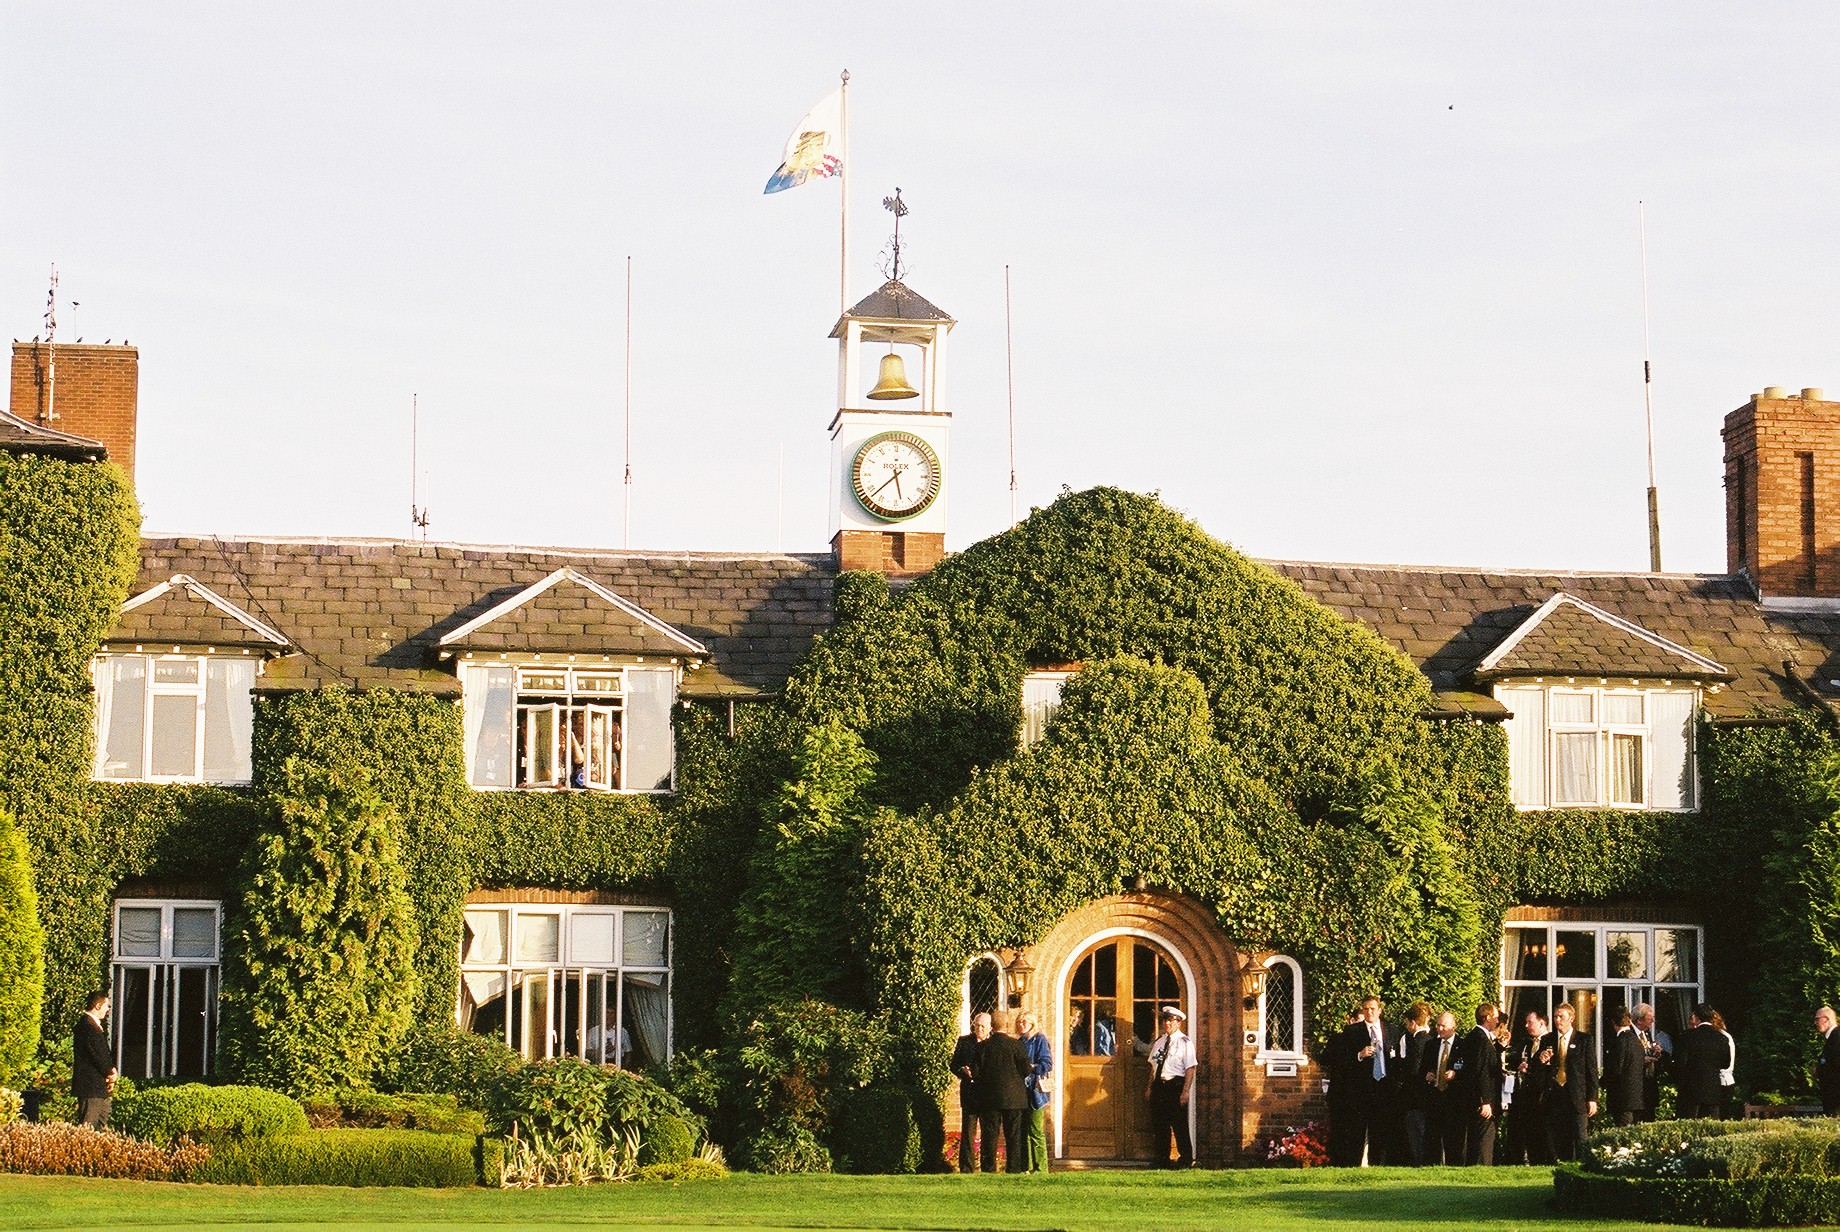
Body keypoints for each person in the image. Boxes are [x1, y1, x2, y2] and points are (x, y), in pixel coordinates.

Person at [1332, 995, 1398, 1166]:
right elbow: (1343, 1060)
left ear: (1380, 1010)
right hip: (1361, 1090)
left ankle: (1378, 1166)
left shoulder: (1392, 1030)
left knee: (1380, 1131)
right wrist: (1359, 1055)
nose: (1369, 1012)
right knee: (1357, 1131)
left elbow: (1397, 1060)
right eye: (1366, 1009)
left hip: (1384, 1087)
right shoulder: (1352, 1031)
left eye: (1373, 1009)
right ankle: (1353, 1166)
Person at [1534, 1002, 1597, 1161]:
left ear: (1571, 1019)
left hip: (1576, 1095)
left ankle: (1582, 1165)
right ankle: (1562, 1163)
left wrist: (1592, 1098)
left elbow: (1591, 1071)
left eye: (1561, 1017)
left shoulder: (1584, 1040)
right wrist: (1541, 1060)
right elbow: (1536, 1067)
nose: (1557, 1020)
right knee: (1559, 1135)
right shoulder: (1547, 1039)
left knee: (1580, 1135)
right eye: (1555, 1017)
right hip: (1555, 1094)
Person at [1145, 1006, 1198, 1168]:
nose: (1167, 1023)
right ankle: (1162, 1159)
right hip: (1159, 1086)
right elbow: (1153, 1067)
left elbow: (1190, 1068)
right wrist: (1149, 1087)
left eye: (1170, 1020)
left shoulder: (1184, 1042)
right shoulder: (1160, 1042)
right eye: (1165, 1020)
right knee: (1160, 1125)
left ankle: (1186, 1160)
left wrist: (1185, 1091)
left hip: (1175, 1086)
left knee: (1179, 1124)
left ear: (1178, 1023)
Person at [981, 1012, 1033, 1173]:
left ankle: (989, 1169)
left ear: (991, 1026)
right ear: (1008, 1025)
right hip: (1014, 1098)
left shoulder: (983, 1046)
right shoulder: (1016, 1045)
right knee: (1014, 1136)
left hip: (990, 1097)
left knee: (990, 1136)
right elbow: (1026, 1070)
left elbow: (976, 1072)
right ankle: (1014, 1168)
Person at [1457, 1003, 1504, 1165]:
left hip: (1471, 1098)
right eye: (1496, 1017)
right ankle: (1482, 1169)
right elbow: (1482, 1071)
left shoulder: (1472, 1037)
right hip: (1482, 1100)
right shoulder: (1482, 1040)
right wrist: (1486, 1101)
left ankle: (1474, 1168)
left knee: (1475, 1138)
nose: (1497, 1021)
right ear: (1488, 1018)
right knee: (1484, 1138)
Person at [1506, 1009, 1552, 1165]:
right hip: (1524, 1095)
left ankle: (1542, 1161)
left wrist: (1533, 1067)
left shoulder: (1551, 1041)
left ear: (1542, 1023)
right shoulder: (1526, 1043)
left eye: (1530, 1022)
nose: (1526, 1026)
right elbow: (1513, 1058)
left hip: (1542, 1096)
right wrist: (1519, 1065)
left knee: (1541, 1133)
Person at [951, 1012, 992, 1172]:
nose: (979, 1029)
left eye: (982, 1026)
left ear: (990, 1027)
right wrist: (962, 1070)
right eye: (977, 1025)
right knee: (968, 1132)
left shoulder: (993, 1044)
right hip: (970, 1093)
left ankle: (988, 1168)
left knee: (988, 1133)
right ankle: (967, 1168)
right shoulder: (965, 1042)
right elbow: (954, 1064)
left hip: (988, 1094)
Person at [1676, 1004, 1732, 1120]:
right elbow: (1726, 1064)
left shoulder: (1688, 1036)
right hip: (1713, 1088)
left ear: (1696, 1017)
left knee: (1690, 1122)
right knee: (1713, 1123)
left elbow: (1681, 1062)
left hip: (1691, 1089)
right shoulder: (1722, 1038)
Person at [1421, 1011, 1462, 1165]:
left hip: (1453, 1100)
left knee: (1453, 1140)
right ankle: (1431, 1168)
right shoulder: (1431, 1045)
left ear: (1453, 1026)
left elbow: (1469, 1071)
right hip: (1434, 1097)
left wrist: (1456, 1074)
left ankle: (1453, 1168)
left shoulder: (1462, 1045)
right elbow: (1422, 1069)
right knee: (1432, 1138)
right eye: (1438, 1025)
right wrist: (1427, 1075)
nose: (1440, 1029)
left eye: (1443, 1026)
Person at [1396, 1002, 1434, 1166]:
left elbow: (1409, 1068)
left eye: (1407, 1023)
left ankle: (1419, 1162)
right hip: (1430, 1093)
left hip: (1413, 1094)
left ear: (1412, 1023)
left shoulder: (1410, 1040)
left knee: (1416, 1132)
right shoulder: (1435, 1038)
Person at [1017, 1009, 1053, 1173]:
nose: (1021, 1025)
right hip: (1021, 1090)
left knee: (1036, 1130)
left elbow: (1046, 1064)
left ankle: (1041, 1168)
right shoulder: (1020, 1042)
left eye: (1024, 1022)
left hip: (1035, 1091)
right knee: (1024, 1130)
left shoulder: (1039, 1040)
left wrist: (1032, 1067)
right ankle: (1027, 1166)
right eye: (1019, 1022)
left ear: (1032, 1024)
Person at [73, 990, 116, 1128]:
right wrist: (110, 1072)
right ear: (98, 1006)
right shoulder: (88, 1027)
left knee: (100, 1125)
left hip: (98, 1087)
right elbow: (98, 1054)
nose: (108, 1010)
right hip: (91, 1087)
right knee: (88, 1126)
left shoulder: (90, 1025)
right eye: (106, 1006)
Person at [1604, 1007, 1646, 1126]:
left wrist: (1603, 1081)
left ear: (1613, 1022)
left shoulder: (1620, 1041)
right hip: (1637, 1097)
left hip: (1622, 1098)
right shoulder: (1636, 1040)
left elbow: (1616, 1069)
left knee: (1623, 1131)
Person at [1632, 1003, 1672, 1123]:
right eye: (1650, 1019)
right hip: (1636, 1090)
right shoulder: (1630, 1035)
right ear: (1639, 1020)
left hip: (1648, 1089)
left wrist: (1656, 1052)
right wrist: (1642, 1060)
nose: (1653, 1021)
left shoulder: (1646, 1033)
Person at [1816, 1007, 1840, 1116]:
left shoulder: (1837, 1037)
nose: (1815, 1023)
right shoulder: (1832, 1037)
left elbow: (1835, 1065)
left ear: (1826, 1019)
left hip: (1835, 1097)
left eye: (1817, 1019)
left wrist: (1820, 1070)